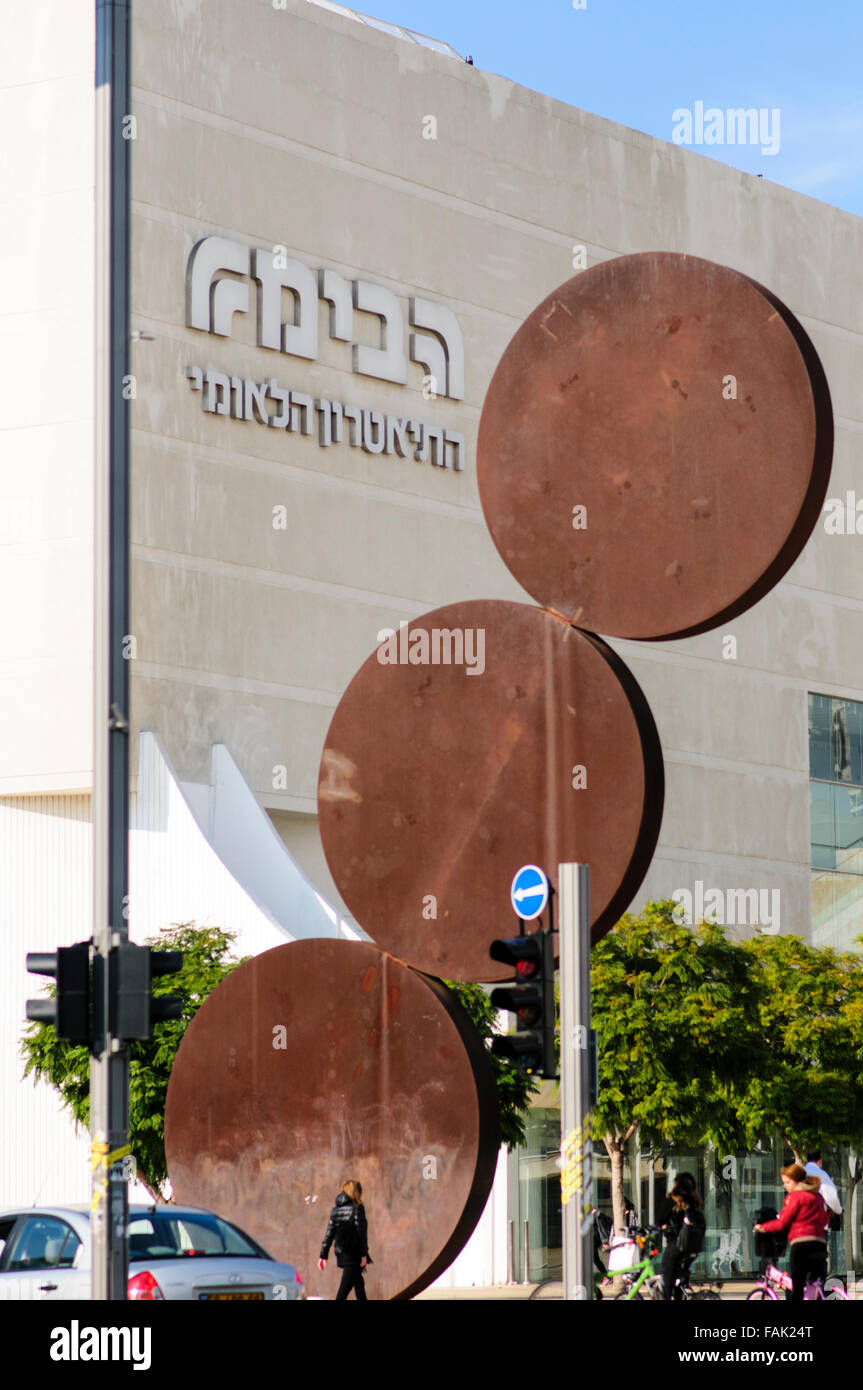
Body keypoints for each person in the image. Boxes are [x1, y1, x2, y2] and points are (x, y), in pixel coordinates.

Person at [753, 1164, 827, 1302]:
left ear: (797, 1181)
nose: (785, 1185)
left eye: (787, 1182)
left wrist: (761, 1227)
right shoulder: (818, 1196)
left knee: (797, 1286)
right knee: (814, 1285)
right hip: (820, 1245)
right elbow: (824, 1220)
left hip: (801, 1246)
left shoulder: (795, 1197)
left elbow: (782, 1223)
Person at [318, 1179, 370, 1300]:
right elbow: (361, 1232)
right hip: (354, 1254)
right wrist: (364, 1254)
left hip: (342, 1252)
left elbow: (329, 1233)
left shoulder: (335, 1210)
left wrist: (323, 1256)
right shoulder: (358, 1208)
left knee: (359, 1285)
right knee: (344, 1290)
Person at [661, 1176, 705, 1301]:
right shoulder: (695, 1202)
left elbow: (671, 1227)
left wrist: (665, 1228)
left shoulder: (677, 1204)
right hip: (691, 1249)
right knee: (679, 1281)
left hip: (677, 1247)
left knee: (667, 1281)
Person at [804, 1150, 842, 1220]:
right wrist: (838, 1210)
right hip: (816, 1216)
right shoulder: (821, 1174)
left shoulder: (800, 1172)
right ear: (820, 1161)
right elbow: (831, 1196)